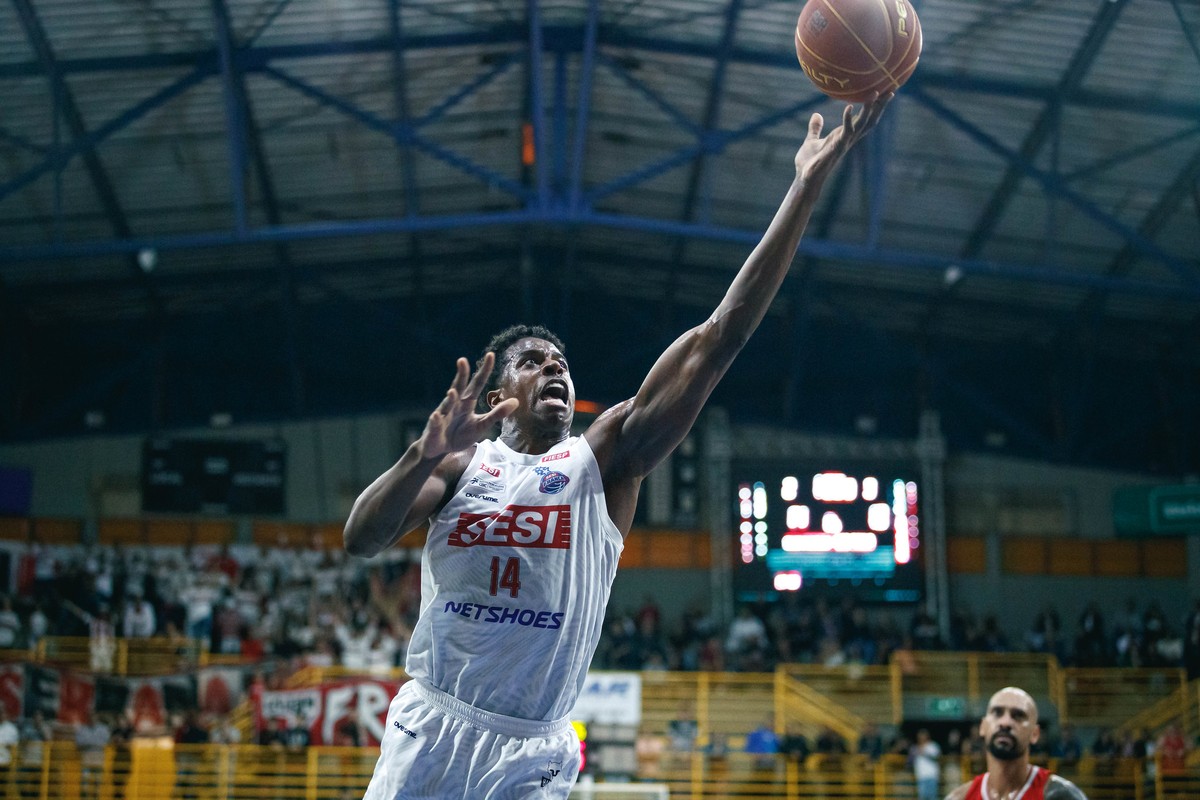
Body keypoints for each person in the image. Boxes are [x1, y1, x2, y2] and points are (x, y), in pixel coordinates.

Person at [344, 92, 891, 799]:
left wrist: (806, 184)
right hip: (436, 726)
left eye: (562, 362)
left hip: (532, 748)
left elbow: (718, 338)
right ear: (493, 394)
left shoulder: (603, 460)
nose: (555, 368)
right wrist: (419, 454)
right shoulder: (456, 467)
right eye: (534, 359)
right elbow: (361, 537)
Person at [944, 687, 1087, 800]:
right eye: (997, 713)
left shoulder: (1060, 795)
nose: (1005, 723)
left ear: (1035, 733)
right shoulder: (959, 798)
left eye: (1018, 715)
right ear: (983, 727)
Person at [911, 728, 942, 800]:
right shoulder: (915, 748)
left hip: (931, 776)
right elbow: (910, 762)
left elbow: (937, 758)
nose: (921, 738)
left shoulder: (933, 746)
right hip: (921, 777)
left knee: (932, 798)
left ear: (927, 736)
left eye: (922, 736)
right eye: (919, 737)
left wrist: (925, 753)